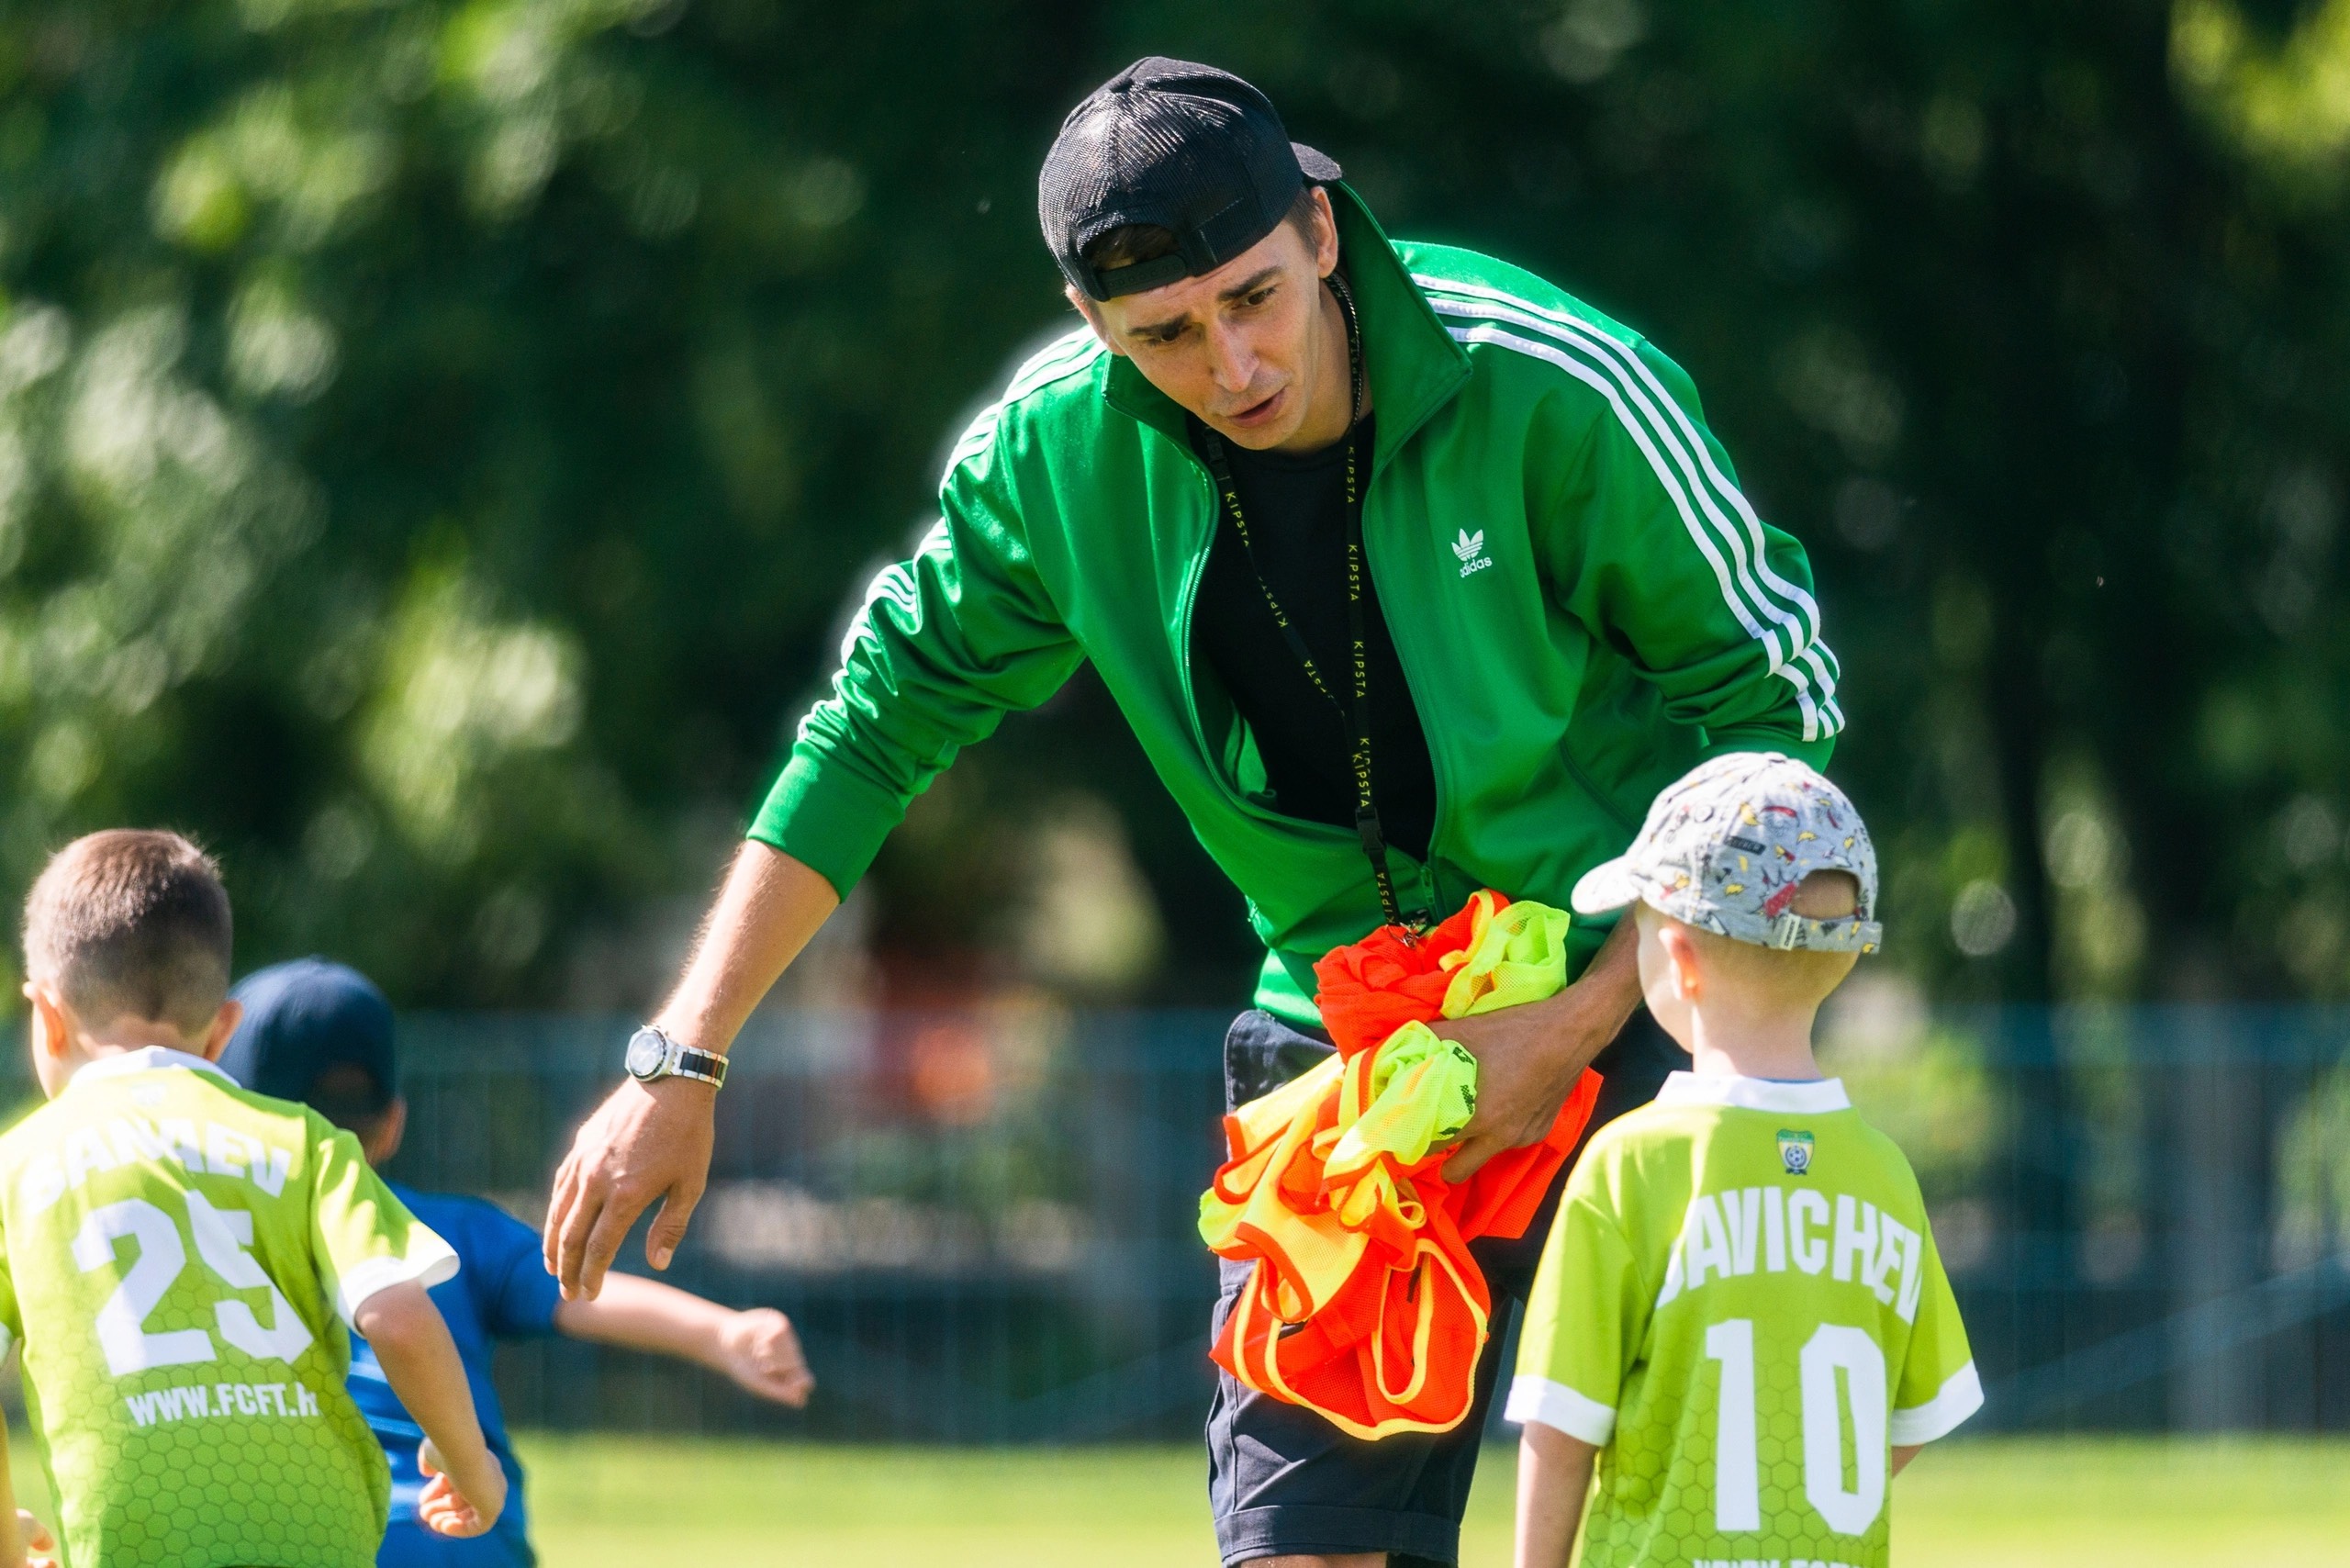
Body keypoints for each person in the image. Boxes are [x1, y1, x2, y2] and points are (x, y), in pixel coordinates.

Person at [546, 55, 1846, 1568]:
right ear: (1094, 326)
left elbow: (1780, 708)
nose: (1231, 364)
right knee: (1298, 1549)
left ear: (1322, 231)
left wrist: (1585, 1011)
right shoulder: (1051, 457)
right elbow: (865, 737)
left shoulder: (1548, 384)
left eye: (1254, 297)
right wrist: (680, 1058)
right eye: (1164, 332)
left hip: (1642, 1010)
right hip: (1349, 1060)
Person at [1508, 754, 1982, 1568]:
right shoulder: (1885, 1176)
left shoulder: (1628, 1166)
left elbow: (1560, 1427)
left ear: (1681, 961)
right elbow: (1912, 1416)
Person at [0, 831, 503, 1568]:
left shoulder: (16, 1168)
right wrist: (475, 1471)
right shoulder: (302, 1142)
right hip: (318, 1537)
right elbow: (395, 1316)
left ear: (45, 1015)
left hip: (135, 1545)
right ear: (223, 1030)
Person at [220, 957, 816, 1568]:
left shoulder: (209, 1237)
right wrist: (721, 1332)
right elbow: (578, 1287)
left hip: (304, 1532)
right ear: (393, 1124)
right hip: (461, 1532)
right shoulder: (450, 1231)